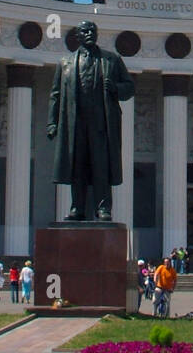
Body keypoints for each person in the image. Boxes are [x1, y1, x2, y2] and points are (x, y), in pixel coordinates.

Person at [47, 18, 135, 221]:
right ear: (77, 36)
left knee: (101, 167)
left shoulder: (111, 60)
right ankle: (77, 208)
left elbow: (129, 87)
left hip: (101, 124)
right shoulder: (65, 63)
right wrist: (52, 123)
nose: (89, 34)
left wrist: (115, 88)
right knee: (77, 167)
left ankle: (103, 208)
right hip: (75, 124)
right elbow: (56, 95)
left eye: (92, 31)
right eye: (85, 31)